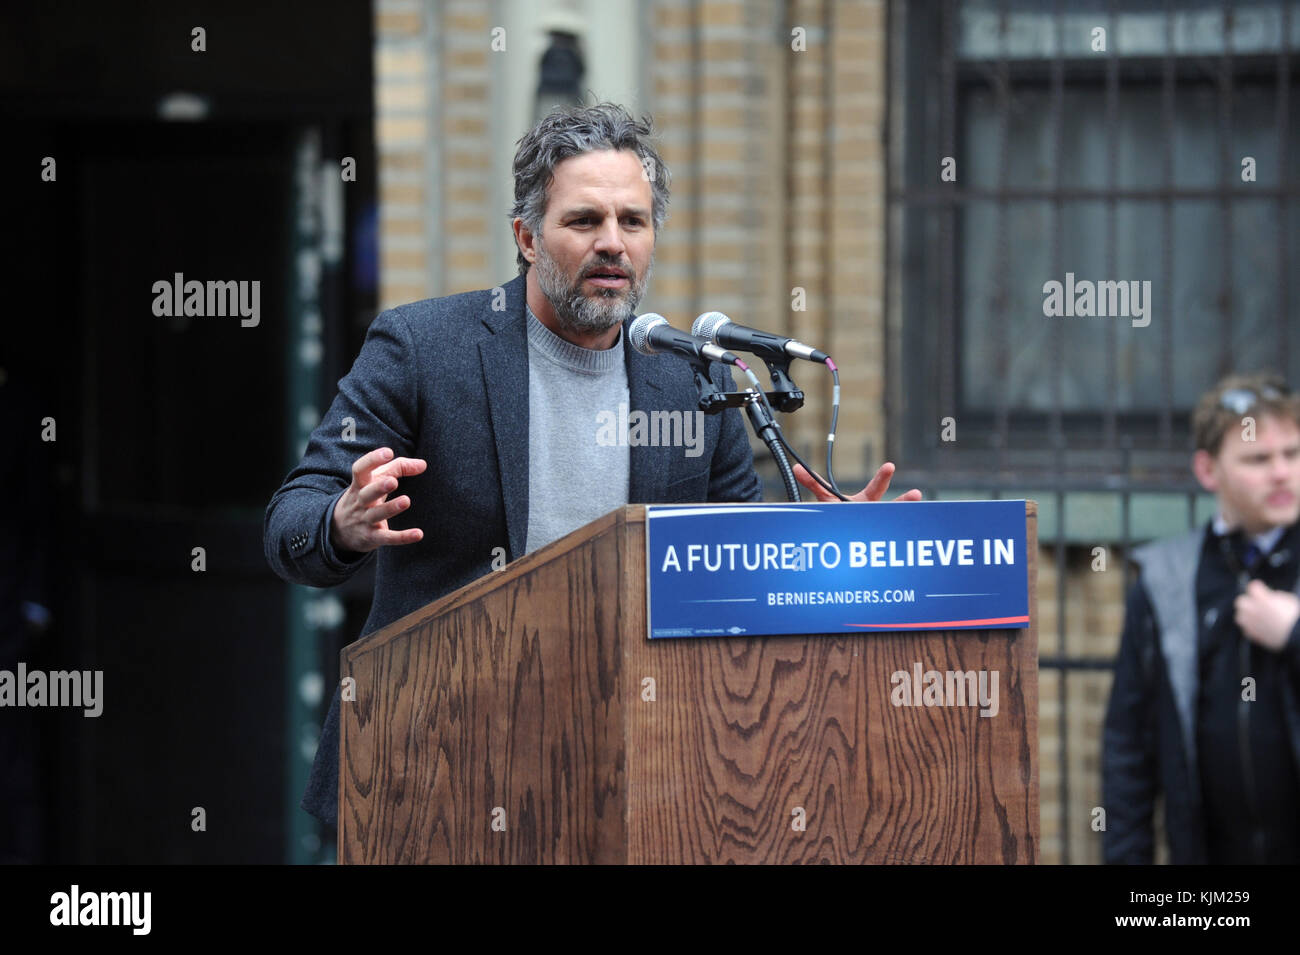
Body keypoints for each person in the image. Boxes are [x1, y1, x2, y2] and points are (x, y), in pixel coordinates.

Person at [264, 102, 919, 828]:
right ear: (526, 237)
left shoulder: (695, 381)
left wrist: (819, 544)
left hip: (629, 773)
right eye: (584, 221)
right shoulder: (423, 348)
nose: (612, 243)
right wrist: (342, 520)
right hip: (437, 772)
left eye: (632, 222)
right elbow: (289, 525)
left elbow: (733, 573)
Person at [1103, 372, 1300, 863]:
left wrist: (1295, 634)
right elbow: (1128, 744)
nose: (1282, 473)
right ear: (1208, 471)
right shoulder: (1167, 577)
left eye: (1293, 455)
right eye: (1258, 459)